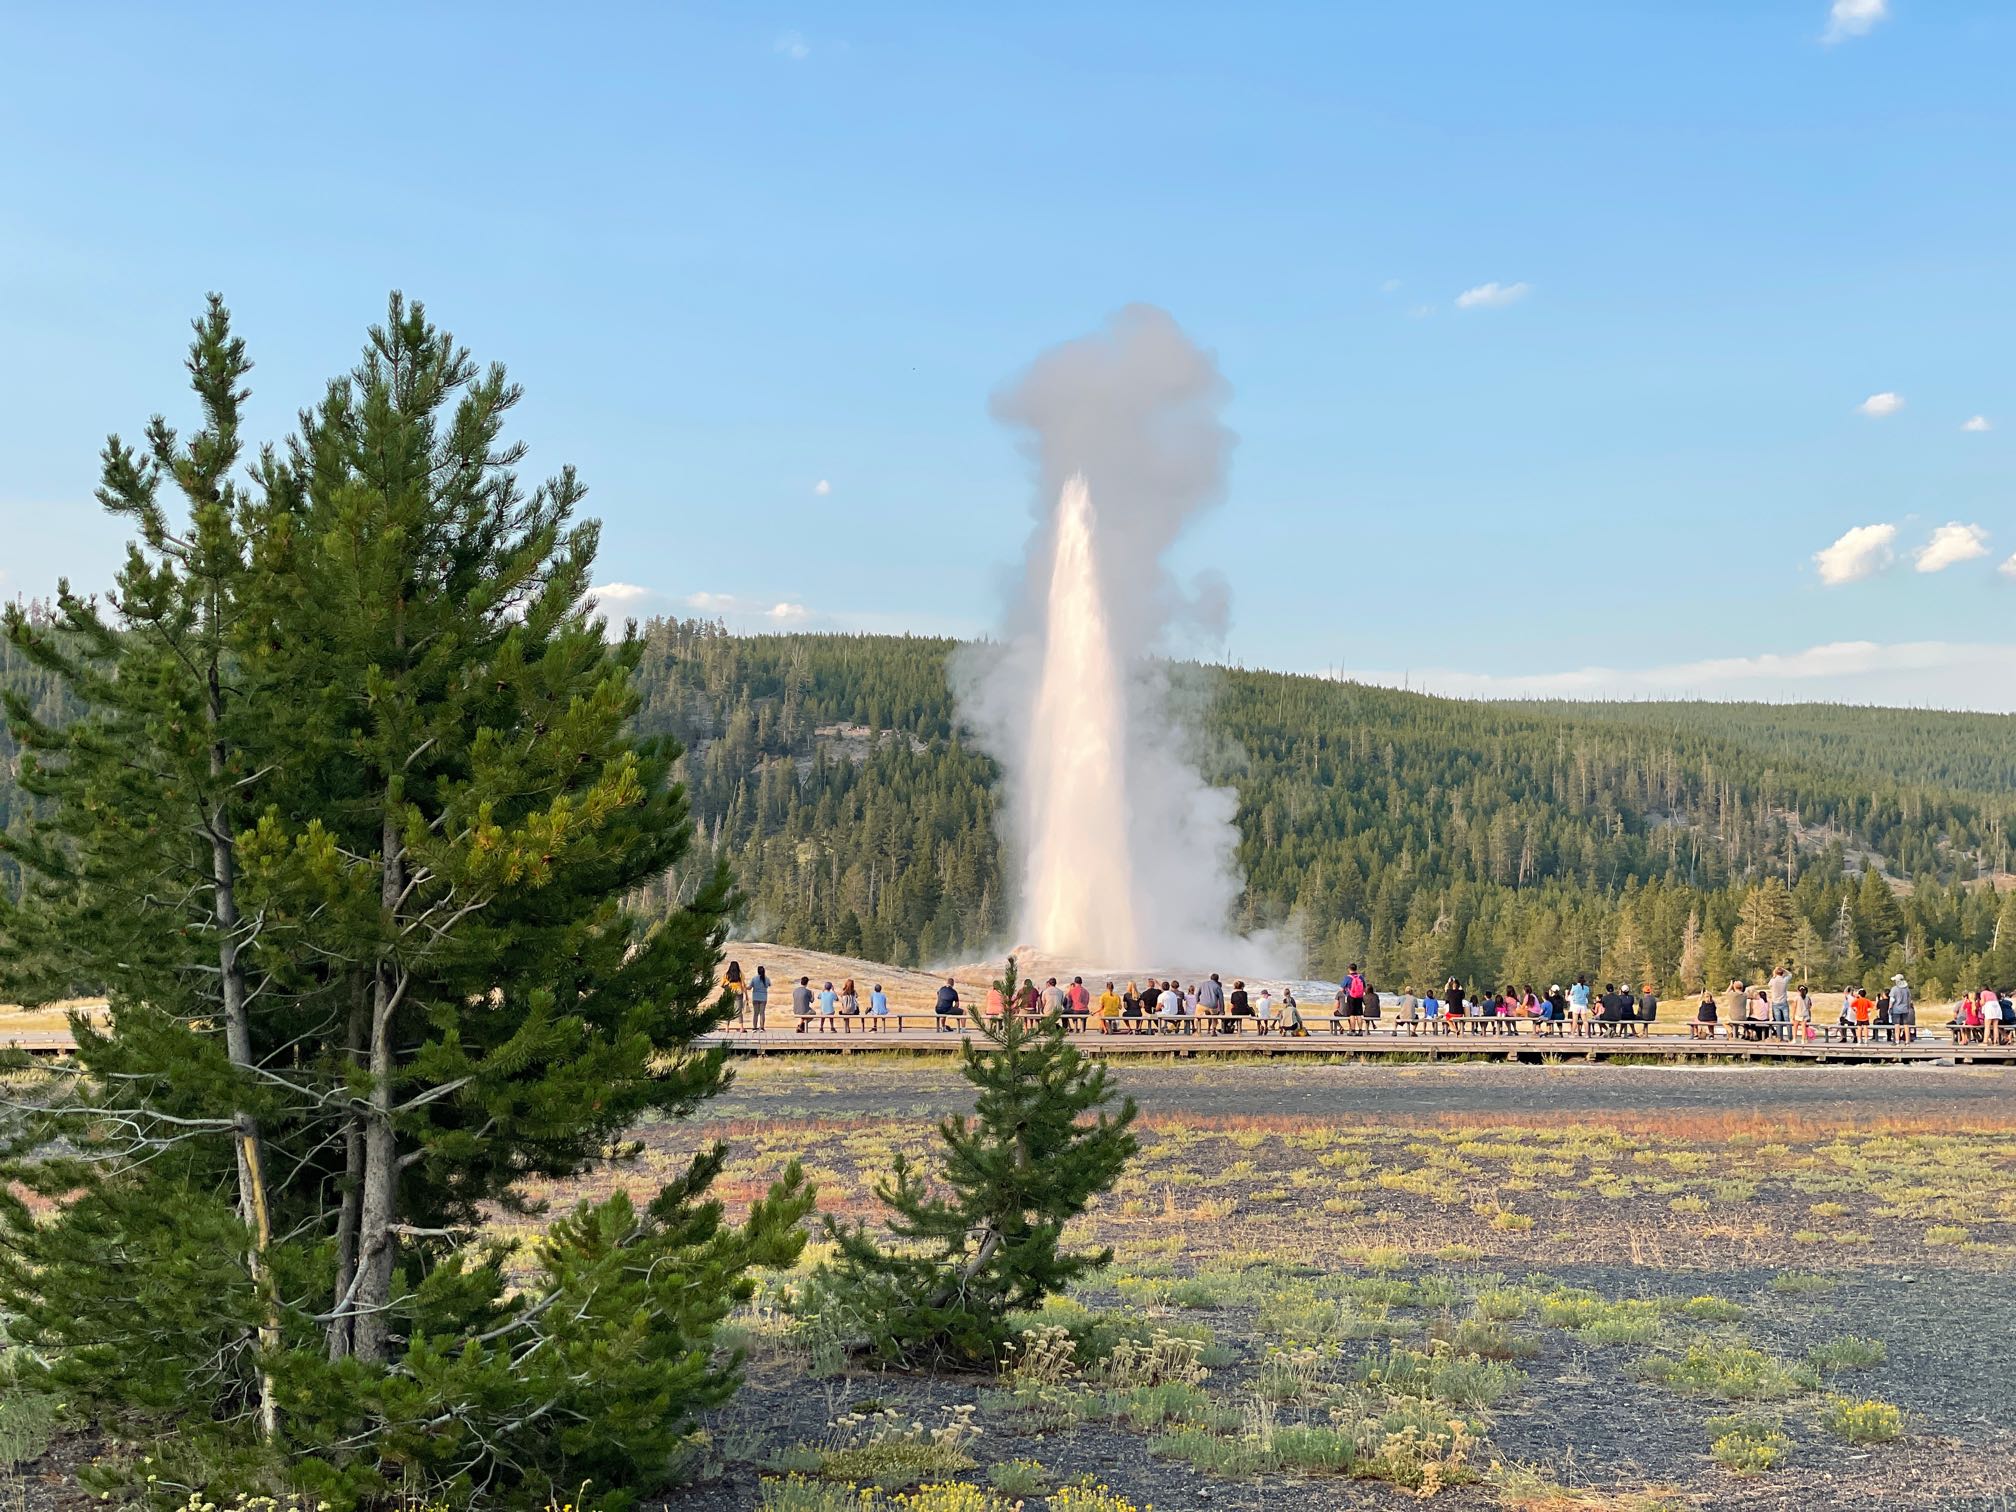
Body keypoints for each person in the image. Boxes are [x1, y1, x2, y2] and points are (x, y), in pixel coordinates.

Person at [1889, 973, 1916, 1044]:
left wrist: (1890, 1008)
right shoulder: (1906, 989)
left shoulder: (1894, 989)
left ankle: (1897, 1040)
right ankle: (1907, 1040)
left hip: (1896, 1009)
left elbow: (1892, 1000)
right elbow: (1909, 999)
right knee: (1906, 1025)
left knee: (1897, 1025)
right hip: (1905, 1009)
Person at [1768, 964, 1792, 1042]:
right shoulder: (1784, 980)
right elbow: (1790, 974)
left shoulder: (1773, 980)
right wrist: (1784, 969)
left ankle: (1779, 1037)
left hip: (1775, 1003)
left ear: (1776, 973)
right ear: (1782, 973)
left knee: (1778, 1021)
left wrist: (1774, 974)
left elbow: (1769, 985)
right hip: (1784, 1002)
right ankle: (1790, 1037)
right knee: (1787, 1020)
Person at [725, 958, 748, 1028]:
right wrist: (746, 995)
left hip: (729, 993)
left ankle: (727, 1028)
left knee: (728, 1010)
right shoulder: (740, 974)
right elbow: (743, 985)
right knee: (739, 1010)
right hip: (739, 993)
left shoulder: (727, 974)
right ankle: (741, 1027)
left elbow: (722, 985)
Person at [749, 965, 770, 1031]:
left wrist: (744, 987)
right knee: (762, 1013)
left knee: (755, 1013)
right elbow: (768, 985)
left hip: (755, 997)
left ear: (757, 971)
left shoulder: (754, 978)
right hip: (763, 998)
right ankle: (762, 1027)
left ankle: (754, 1028)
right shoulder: (766, 978)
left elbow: (749, 987)